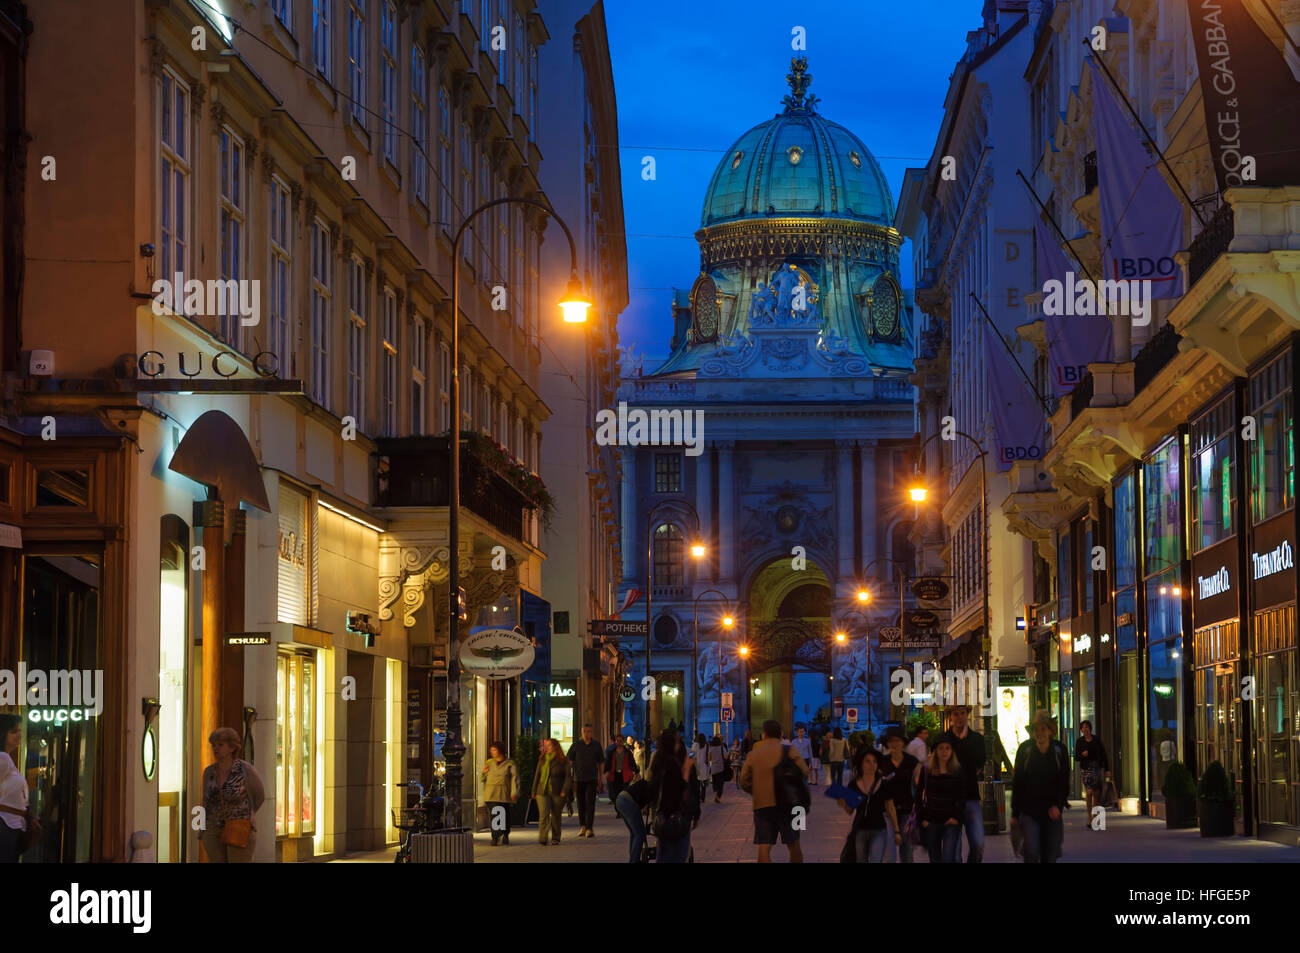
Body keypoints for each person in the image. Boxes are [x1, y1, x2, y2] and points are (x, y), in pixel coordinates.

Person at [740, 720, 808, 863]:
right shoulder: (790, 750)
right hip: (791, 805)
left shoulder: (754, 754)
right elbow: (804, 772)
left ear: (763, 735)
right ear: (780, 734)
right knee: (794, 843)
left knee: (764, 846)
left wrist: (757, 790)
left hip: (763, 805)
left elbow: (743, 781)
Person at [1012, 710, 1071, 863]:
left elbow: (1064, 781)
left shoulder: (1059, 750)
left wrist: (1058, 806)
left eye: (1043, 729)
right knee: (1031, 850)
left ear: (1050, 731)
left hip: (1052, 812)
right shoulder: (1025, 750)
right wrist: (1015, 813)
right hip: (1029, 810)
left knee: (1050, 853)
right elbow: (1018, 781)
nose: (1040, 733)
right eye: (1036, 729)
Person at [201, 727, 266, 863]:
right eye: (213, 745)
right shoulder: (209, 772)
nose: (215, 749)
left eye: (220, 745)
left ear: (231, 748)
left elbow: (259, 795)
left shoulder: (244, 770)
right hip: (213, 828)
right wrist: (201, 828)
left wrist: (246, 815)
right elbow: (205, 801)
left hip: (239, 827)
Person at [937, 706, 986, 863]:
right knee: (953, 852)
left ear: (967, 715)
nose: (959, 718)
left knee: (978, 844)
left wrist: (964, 742)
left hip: (971, 796)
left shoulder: (976, 739)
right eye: (956, 714)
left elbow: (979, 762)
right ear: (951, 716)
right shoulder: (944, 739)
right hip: (949, 801)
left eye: (962, 714)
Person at [837, 747, 898, 863]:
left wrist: (896, 831)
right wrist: (843, 803)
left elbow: (890, 807)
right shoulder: (853, 785)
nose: (872, 765)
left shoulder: (883, 784)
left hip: (879, 829)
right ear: (861, 764)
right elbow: (850, 810)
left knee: (876, 860)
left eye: (874, 761)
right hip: (860, 830)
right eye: (868, 761)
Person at [647, 729, 693, 863]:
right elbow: (678, 789)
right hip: (673, 818)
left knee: (663, 855)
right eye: (677, 741)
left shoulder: (658, 761)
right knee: (677, 856)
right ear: (672, 744)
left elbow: (653, 789)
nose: (679, 744)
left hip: (661, 817)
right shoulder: (671, 763)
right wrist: (687, 769)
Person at [916, 739, 963, 863]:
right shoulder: (927, 770)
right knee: (934, 858)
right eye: (941, 748)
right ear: (935, 751)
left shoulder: (957, 771)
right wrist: (923, 819)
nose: (944, 752)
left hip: (950, 821)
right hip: (931, 821)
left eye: (947, 748)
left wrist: (956, 817)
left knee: (949, 858)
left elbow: (961, 796)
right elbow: (918, 795)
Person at [880, 726, 921, 863]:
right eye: (891, 741)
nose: (894, 744)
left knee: (907, 854)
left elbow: (920, 784)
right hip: (886, 812)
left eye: (898, 740)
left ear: (903, 742)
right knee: (889, 855)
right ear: (887, 743)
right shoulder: (882, 762)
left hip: (907, 812)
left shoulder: (911, 762)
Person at [0, 714, 32, 863]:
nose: (19, 735)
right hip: (5, 825)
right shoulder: (3, 759)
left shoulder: (6, 758)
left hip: (10, 825)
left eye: (20, 730)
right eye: (14, 731)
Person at [531, 738, 572, 845]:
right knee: (543, 815)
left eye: (549, 745)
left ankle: (556, 837)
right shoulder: (542, 759)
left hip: (558, 791)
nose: (546, 747)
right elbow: (537, 776)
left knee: (556, 815)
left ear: (555, 747)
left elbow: (568, 777)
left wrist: (564, 790)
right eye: (546, 745)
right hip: (542, 791)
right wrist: (534, 791)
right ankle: (543, 837)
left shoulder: (563, 760)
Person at [567, 724, 605, 838]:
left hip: (592, 778)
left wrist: (600, 778)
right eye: (585, 731)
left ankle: (589, 828)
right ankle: (582, 826)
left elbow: (601, 762)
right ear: (581, 732)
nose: (587, 733)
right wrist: (568, 776)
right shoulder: (576, 745)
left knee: (590, 803)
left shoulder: (596, 745)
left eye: (589, 731)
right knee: (581, 803)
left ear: (591, 733)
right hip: (578, 779)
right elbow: (569, 760)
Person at [480, 741, 518, 846]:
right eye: (491, 750)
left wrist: (514, 792)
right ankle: (495, 836)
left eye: (494, 750)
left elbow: (515, 779)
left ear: (500, 750)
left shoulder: (510, 764)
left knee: (504, 815)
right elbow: (483, 778)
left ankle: (505, 834)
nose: (492, 752)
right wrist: (483, 773)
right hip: (491, 793)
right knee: (495, 814)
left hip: (503, 793)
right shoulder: (489, 763)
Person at [1075, 720, 1111, 824]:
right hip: (1086, 769)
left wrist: (1107, 769)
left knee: (1096, 793)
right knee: (1089, 792)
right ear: (1081, 730)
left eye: (1087, 727)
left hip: (1097, 768)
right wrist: (1083, 755)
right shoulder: (1079, 741)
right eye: (1083, 727)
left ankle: (1094, 815)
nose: (1085, 729)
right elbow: (1077, 757)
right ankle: (1089, 816)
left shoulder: (1096, 740)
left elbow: (1104, 754)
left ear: (1090, 728)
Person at [615, 773, 652, 863]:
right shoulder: (653, 787)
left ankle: (633, 859)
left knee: (634, 833)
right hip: (629, 802)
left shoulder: (646, 782)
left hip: (620, 799)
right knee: (640, 834)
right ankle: (634, 860)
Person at [605, 736, 636, 801]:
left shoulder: (627, 752)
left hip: (624, 774)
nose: (619, 742)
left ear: (623, 742)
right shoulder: (612, 752)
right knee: (615, 791)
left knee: (624, 791)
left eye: (620, 741)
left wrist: (636, 771)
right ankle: (617, 803)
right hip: (615, 774)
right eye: (617, 741)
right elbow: (608, 762)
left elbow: (632, 761)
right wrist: (607, 771)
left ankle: (622, 803)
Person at [707, 734, 728, 802]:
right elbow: (726, 757)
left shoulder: (711, 748)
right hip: (720, 768)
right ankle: (718, 796)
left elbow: (709, 759)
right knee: (720, 783)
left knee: (715, 783)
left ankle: (715, 795)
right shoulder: (722, 748)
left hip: (713, 768)